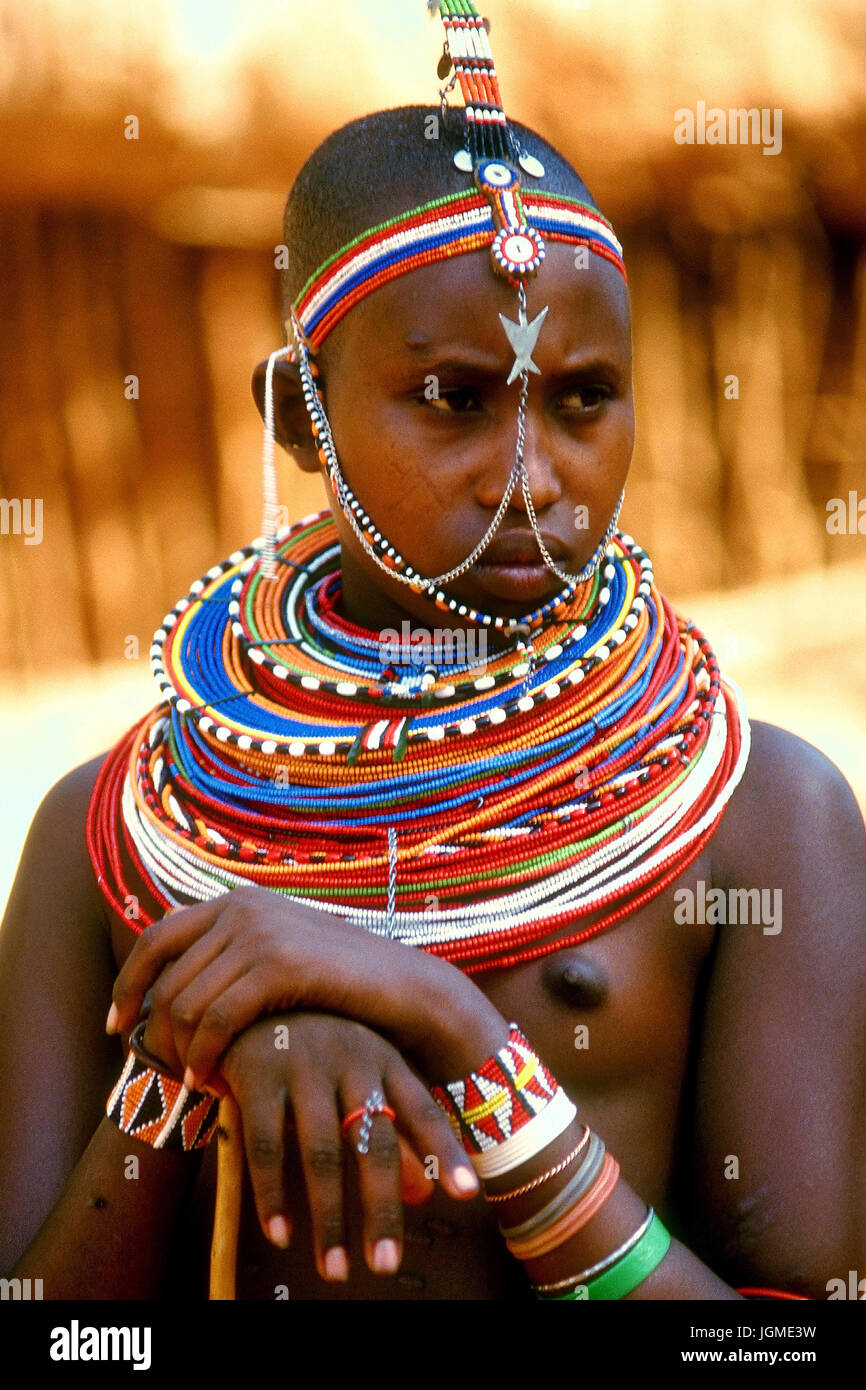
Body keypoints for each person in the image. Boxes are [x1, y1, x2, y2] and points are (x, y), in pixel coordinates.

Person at [1, 3, 865, 1304]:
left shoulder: (759, 817)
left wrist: (461, 1038)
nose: (531, 478)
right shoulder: (110, 833)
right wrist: (201, 1054)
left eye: (581, 398)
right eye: (454, 399)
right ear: (301, 415)